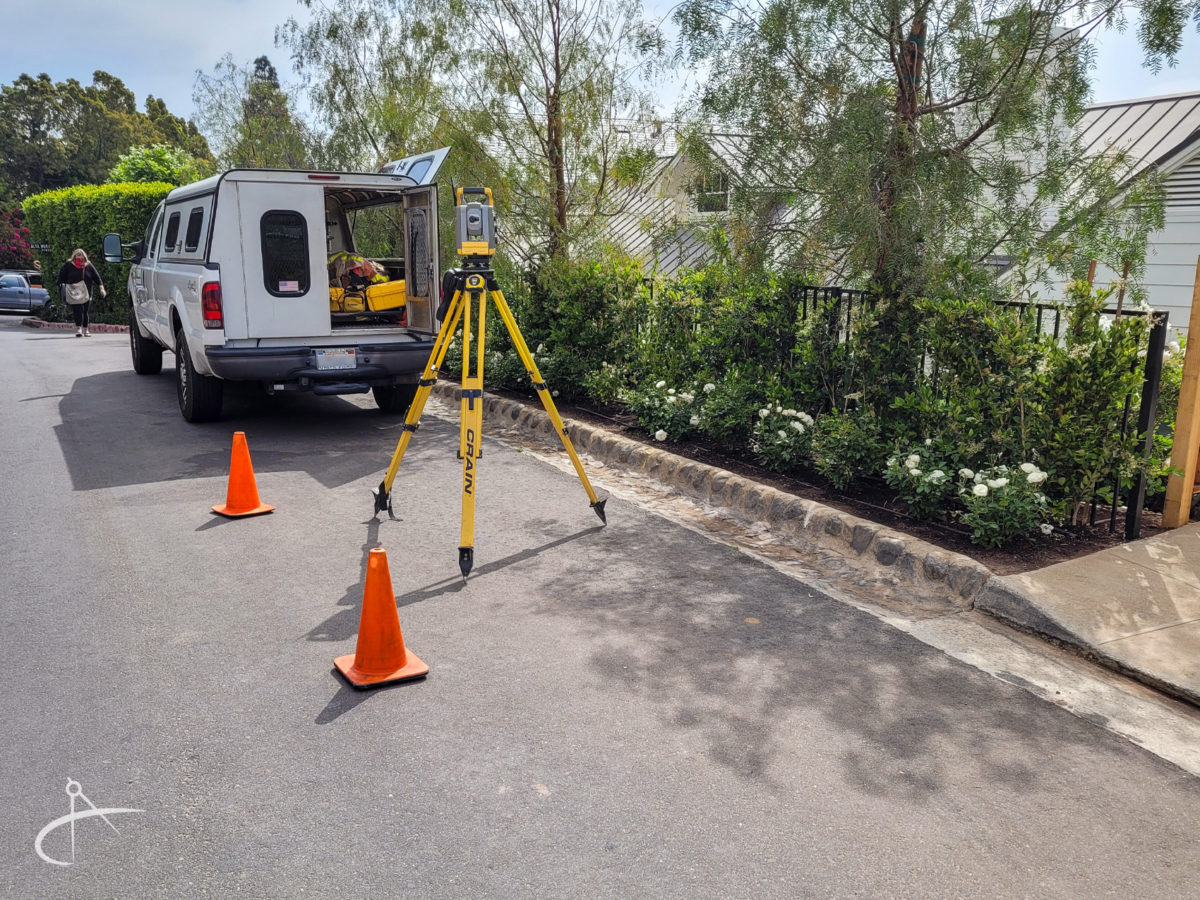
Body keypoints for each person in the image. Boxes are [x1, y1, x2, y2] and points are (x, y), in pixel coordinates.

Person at [57, 249, 106, 337]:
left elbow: (97, 277)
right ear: (74, 256)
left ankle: (86, 329)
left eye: (81, 255)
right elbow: (61, 276)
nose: (79, 257)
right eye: (77, 255)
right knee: (77, 310)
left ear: (84, 256)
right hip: (73, 292)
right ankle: (79, 328)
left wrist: (101, 288)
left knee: (85, 311)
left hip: (86, 291)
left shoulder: (88, 265)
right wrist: (61, 286)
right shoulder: (68, 265)